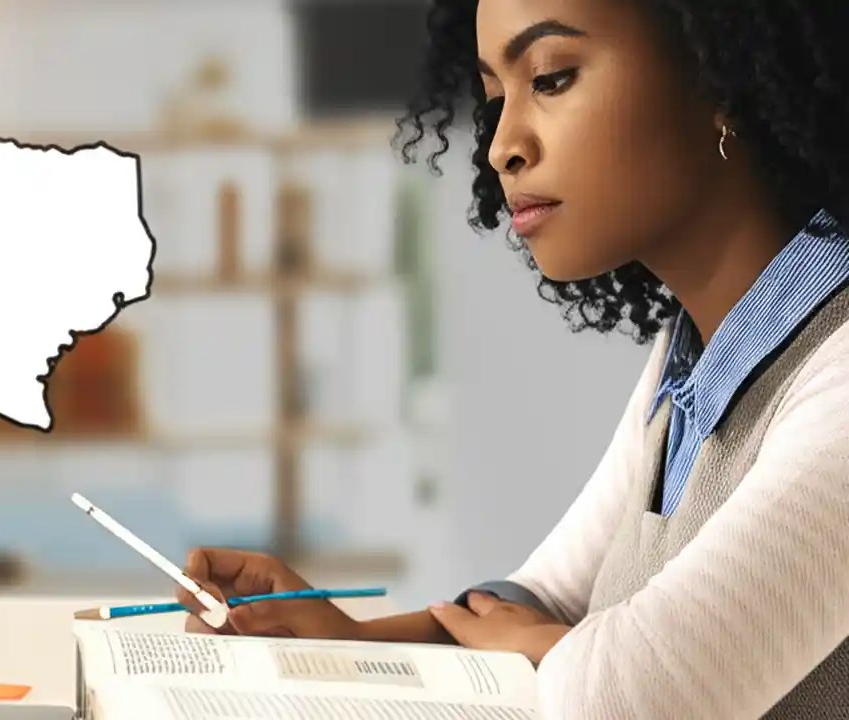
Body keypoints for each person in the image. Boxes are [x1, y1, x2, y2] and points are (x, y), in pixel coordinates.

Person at [176, 0, 849, 717]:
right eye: (496, 97)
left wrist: (557, 647)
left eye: (552, 78)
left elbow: (633, 696)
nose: (501, 145)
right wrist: (338, 641)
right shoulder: (690, 355)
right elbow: (544, 599)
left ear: (719, 77)